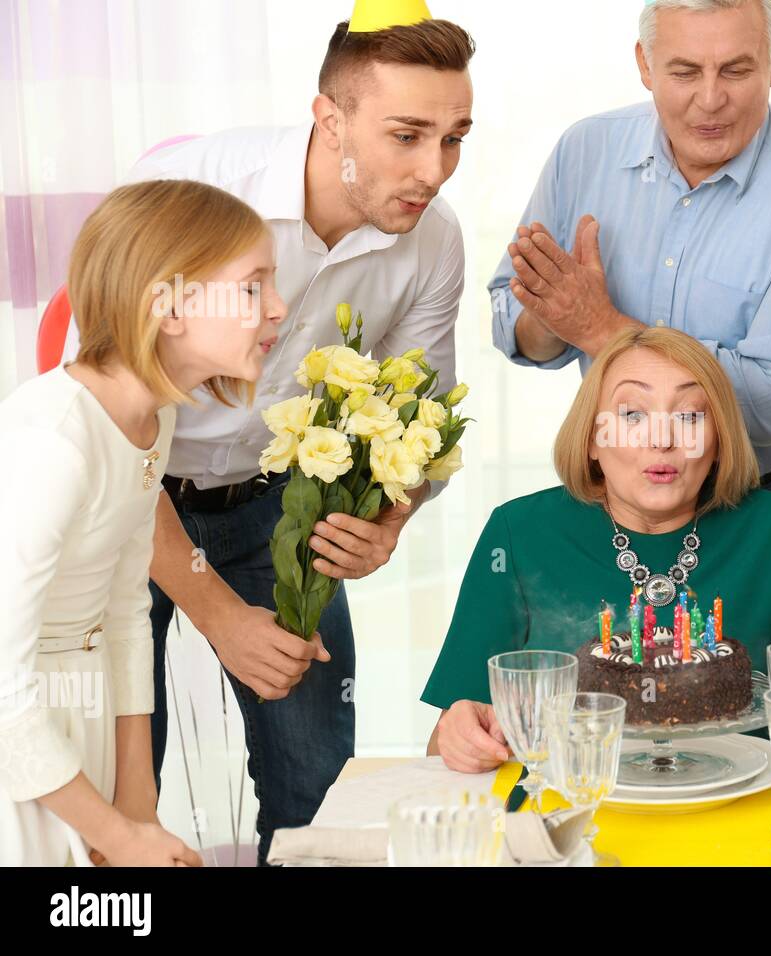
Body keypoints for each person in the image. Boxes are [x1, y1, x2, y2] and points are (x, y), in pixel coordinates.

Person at [58, 3, 476, 863]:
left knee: (320, 785)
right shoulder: (197, 192)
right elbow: (102, 425)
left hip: (281, 506)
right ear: (331, 119)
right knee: (114, 785)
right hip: (124, 507)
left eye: (455, 136)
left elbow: (416, 418)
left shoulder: (434, 241)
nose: (435, 169)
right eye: (407, 135)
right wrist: (217, 611)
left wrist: (387, 525)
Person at [490, 0, 771, 614]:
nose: (710, 100)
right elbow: (510, 325)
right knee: (612, 694)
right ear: (644, 64)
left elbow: (768, 406)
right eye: (684, 71)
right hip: (618, 498)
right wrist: (555, 317)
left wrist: (601, 328)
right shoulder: (585, 149)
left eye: (736, 70)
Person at [422, 327, 771, 771]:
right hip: (572, 803)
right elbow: (446, 740)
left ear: (719, 440)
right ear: (594, 439)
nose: (663, 440)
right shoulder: (518, 533)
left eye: (690, 416)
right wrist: (460, 738)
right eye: (632, 414)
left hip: (746, 803)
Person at [0, 178, 284, 865]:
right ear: (170, 305)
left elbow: (127, 609)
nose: (278, 308)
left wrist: (135, 804)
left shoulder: (153, 420)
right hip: (22, 744)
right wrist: (116, 833)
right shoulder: (55, 442)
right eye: (253, 287)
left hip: (80, 732)